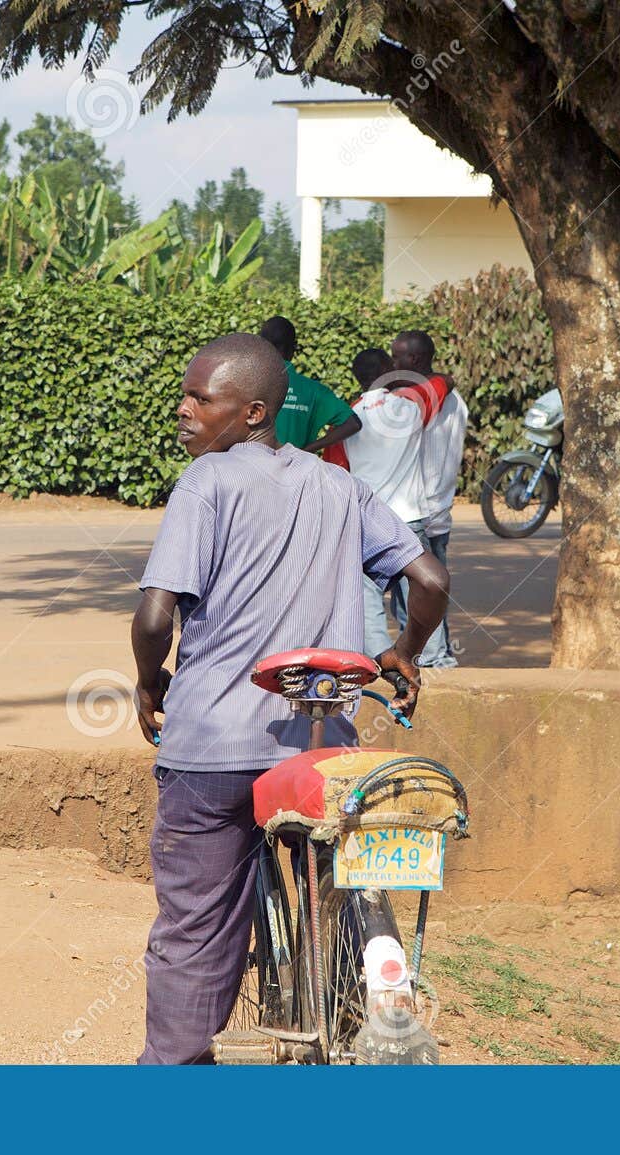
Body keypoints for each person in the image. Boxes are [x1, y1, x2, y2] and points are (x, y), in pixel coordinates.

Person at [131, 332, 449, 1065]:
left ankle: (172, 1082)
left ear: (251, 412)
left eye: (198, 398)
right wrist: (402, 649)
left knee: (193, 933)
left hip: (210, 751)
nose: (182, 409)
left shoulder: (204, 485)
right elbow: (429, 580)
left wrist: (151, 683)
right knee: (339, 881)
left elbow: (155, 617)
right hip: (321, 751)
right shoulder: (339, 486)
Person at [340, 335, 457, 668]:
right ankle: (433, 659)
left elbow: (338, 470)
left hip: (366, 517)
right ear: (388, 371)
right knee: (420, 586)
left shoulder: (346, 417)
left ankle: (377, 661)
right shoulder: (411, 405)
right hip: (409, 516)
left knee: (366, 592)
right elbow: (442, 382)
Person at [387, 330, 466, 668]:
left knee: (419, 596)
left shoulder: (415, 401)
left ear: (415, 360)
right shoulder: (454, 399)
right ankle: (427, 657)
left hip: (418, 511)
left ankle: (435, 661)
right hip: (438, 509)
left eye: (397, 358)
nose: (393, 364)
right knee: (426, 595)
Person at [258, 315, 361, 454]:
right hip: (297, 470)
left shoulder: (244, 384)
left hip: (252, 470)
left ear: (261, 345)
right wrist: (305, 451)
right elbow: (353, 423)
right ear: (294, 346)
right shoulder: (314, 390)